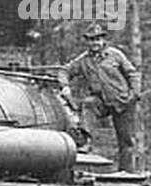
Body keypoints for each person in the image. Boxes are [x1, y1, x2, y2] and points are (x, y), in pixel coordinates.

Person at [60, 21, 141, 171]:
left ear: (103, 40)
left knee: (126, 140)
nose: (94, 43)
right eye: (91, 40)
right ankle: (86, 142)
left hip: (122, 100)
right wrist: (65, 87)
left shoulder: (116, 55)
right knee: (88, 104)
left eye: (97, 39)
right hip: (101, 101)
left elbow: (132, 73)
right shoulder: (83, 60)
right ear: (87, 42)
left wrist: (134, 94)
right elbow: (65, 71)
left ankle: (127, 172)